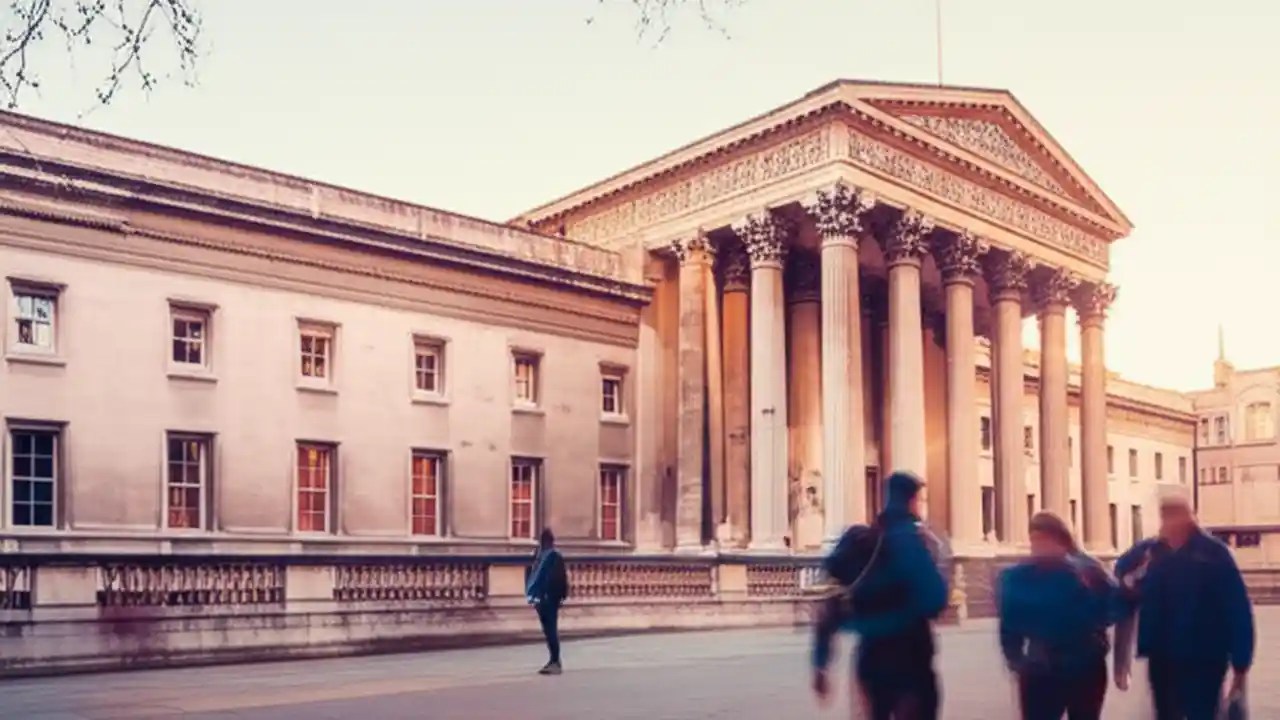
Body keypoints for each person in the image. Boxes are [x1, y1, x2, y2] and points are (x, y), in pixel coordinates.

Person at [811, 471, 950, 720]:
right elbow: (935, 599)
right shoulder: (909, 541)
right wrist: (937, 555)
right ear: (912, 501)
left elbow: (829, 611)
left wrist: (821, 664)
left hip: (869, 659)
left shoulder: (863, 543)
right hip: (909, 659)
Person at [1113, 488, 1254, 720]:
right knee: (1166, 714)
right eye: (1166, 514)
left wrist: (1241, 665)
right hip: (1162, 655)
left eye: (1176, 513)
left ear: (1190, 516)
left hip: (1205, 657)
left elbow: (1237, 609)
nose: (1171, 520)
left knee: (1202, 713)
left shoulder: (1213, 554)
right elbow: (1121, 578)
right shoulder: (1151, 552)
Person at [997, 511, 1117, 720]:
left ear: (1060, 540)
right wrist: (1015, 658)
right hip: (1041, 667)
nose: (1038, 545)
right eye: (1034, 539)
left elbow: (1111, 609)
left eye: (1043, 539)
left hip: (1083, 664)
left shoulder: (1087, 570)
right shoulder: (1022, 575)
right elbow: (1010, 620)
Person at [526, 527, 569, 675]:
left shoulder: (550, 557)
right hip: (544, 598)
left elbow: (557, 579)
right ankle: (553, 660)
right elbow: (562, 579)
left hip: (547, 598)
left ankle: (555, 661)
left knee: (550, 630)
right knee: (549, 630)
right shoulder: (542, 556)